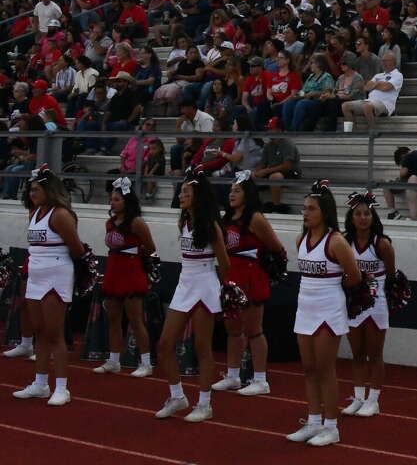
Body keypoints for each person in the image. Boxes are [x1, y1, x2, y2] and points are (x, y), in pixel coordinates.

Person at [286, 183, 363, 447]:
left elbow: (355, 277)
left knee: (325, 368)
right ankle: (313, 421)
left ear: (324, 212)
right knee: (308, 369)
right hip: (305, 306)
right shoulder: (300, 240)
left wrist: (334, 292)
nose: (305, 213)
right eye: (304, 209)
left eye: (311, 209)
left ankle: (332, 427)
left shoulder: (336, 241)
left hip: (329, 307)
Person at [154, 170, 229, 422]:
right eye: (181, 191)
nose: (181, 195)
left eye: (187, 192)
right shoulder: (183, 221)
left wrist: (224, 291)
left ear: (199, 196)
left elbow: (225, 263)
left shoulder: (211, 226)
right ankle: (177, 396)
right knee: (164, 345)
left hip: (205, 283)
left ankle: (205, 403)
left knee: (202, 347)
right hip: (184, 283)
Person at [11, 166, 85, 407]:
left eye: (37, 189)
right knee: (39, 331)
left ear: (49, 189)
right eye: (31, 189)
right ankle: (40, 384)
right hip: (36, 274)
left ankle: (62, 387)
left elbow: (77, 249)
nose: (32, 193)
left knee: (55, 333)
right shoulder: (33, 212)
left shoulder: (61, 214)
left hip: (56, 274)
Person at [210, 172, 286, 397]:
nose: (232, 194)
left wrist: (264, 269)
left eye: (238, 190)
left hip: (251, 278)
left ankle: (261, 379)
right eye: (231, 190)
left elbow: (277, 249)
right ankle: (233, 376)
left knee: (254, 330)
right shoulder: (227, 219)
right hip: (231, 277)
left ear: (248, 194)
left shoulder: (255, 219)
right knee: (232, 329)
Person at [93, 177, 156, 379]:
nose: (112, 202)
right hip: (113, 270)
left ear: (126, 202)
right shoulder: (109, 223)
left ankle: (146, 362)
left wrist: (137, 258)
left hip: (131, 272)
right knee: (113, 318)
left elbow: (150, 247)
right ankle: (114, 360)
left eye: (117, 199)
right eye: (111, 199)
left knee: (136, 320)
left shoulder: (136, 222)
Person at [343, 190, 395, 418]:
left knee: (375, 353)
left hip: (376, 301)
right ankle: (358, 397)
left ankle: (373, 400)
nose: (363, 218)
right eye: (358, 214)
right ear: (351, 218)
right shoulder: (344, 242)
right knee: (357, 353)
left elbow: (392, 276)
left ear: (373, 217)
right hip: (354, 302)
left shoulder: (381, 244)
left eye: (367, 213)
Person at [341, 52, 403, 131]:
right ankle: (353, 132)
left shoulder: (398, 75)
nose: (383, 63)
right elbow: (366, 88)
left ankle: (372, 131)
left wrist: (375, 84)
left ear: (393, 61)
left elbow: (386, 87)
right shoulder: (378, 75)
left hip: (385, 103)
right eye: (382, 60)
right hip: (369, 101)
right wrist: (378, 84)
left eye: (385, 60)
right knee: (345, 106)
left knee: (367, 106)